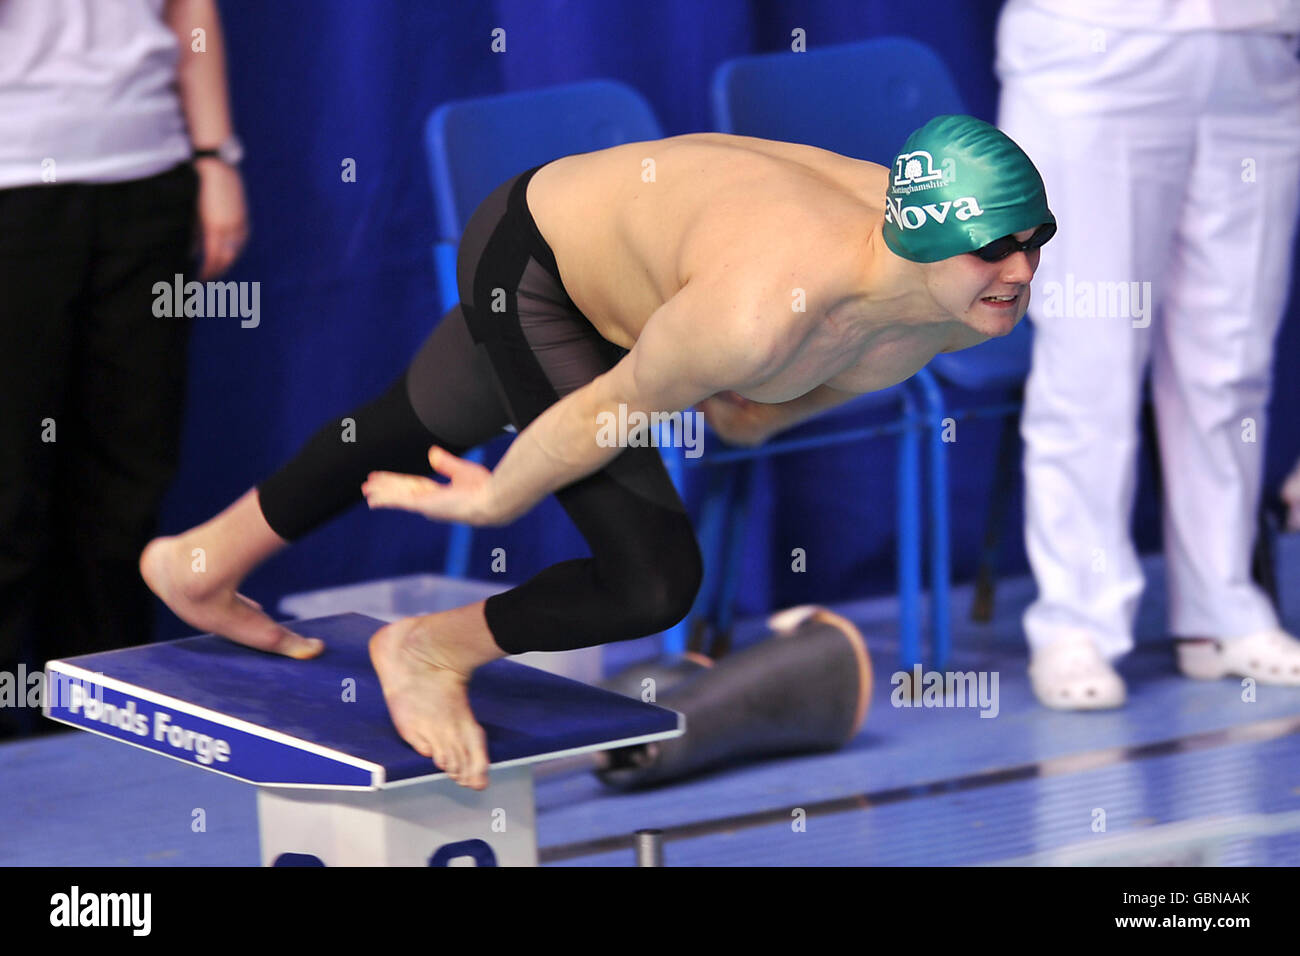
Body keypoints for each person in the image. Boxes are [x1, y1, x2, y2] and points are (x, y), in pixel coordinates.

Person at [142, 115, 1056, 789]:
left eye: (1034, 242)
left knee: (408, 421)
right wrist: (495, 503)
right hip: (538, 259)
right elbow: (605, 413)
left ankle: (199, 561)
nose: (1018, 272)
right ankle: (429, 650)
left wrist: (749, 414)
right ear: (929, 236)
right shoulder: (758, 311)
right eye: (991, 250)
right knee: (651, 580)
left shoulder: (959, 306)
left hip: (640, 277)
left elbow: (760, 410)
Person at [996, 0, 1300, 709]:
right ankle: (1076, 622)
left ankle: (1222, 608)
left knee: (1230, 363)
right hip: (1096, 45)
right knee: (1089, 357)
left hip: (1258, 50)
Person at [0, 0, 247, 738]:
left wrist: (214, 156)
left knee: (128, 471)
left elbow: (188, 10)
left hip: (149, 176)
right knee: (8, 480)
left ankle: (99, 711)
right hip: (12, 182)